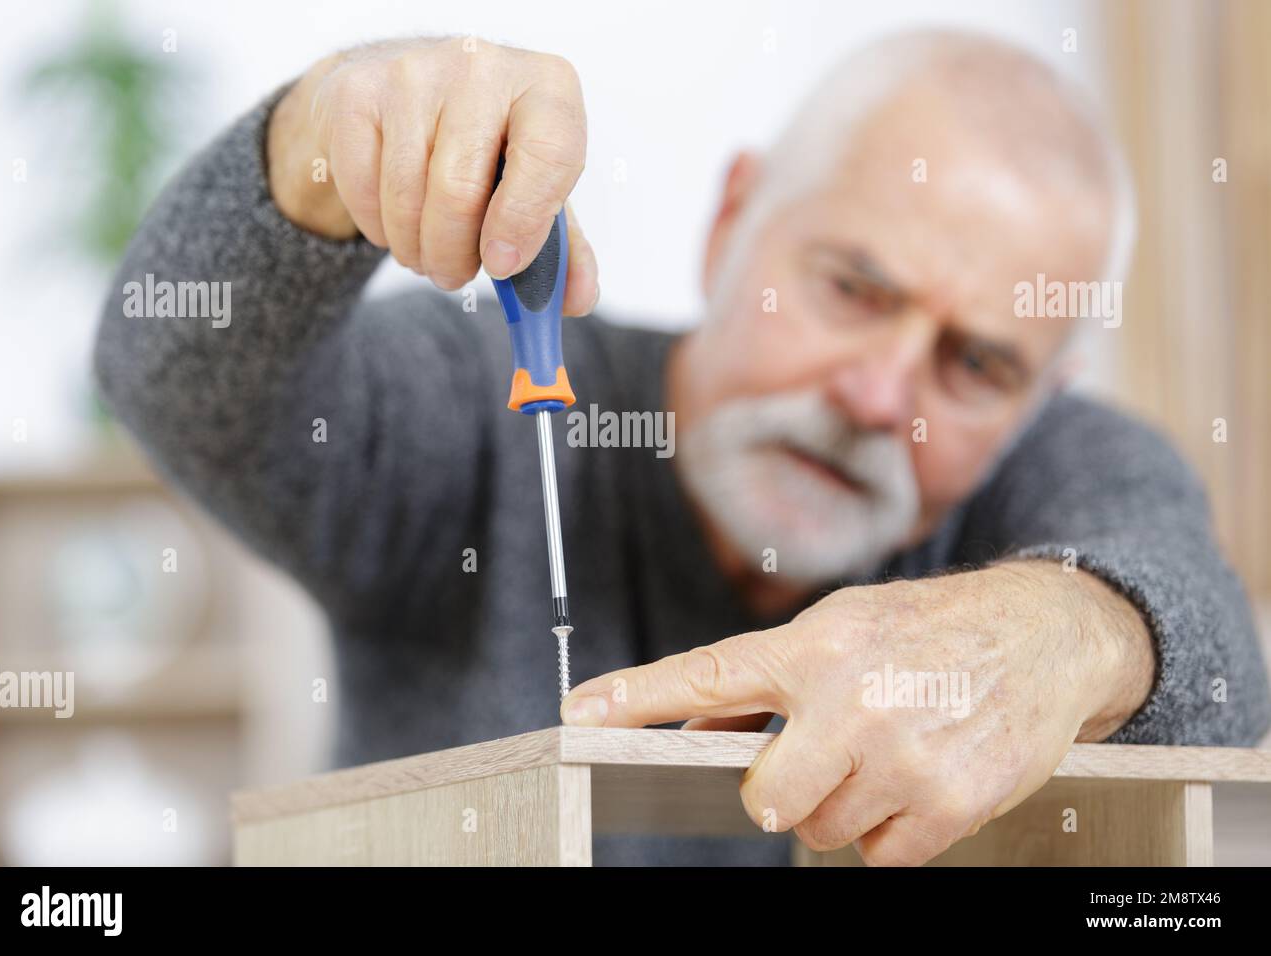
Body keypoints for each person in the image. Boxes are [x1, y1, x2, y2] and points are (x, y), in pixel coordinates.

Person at [94, 30, 1271, 866]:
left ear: (1038, 394)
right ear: (731, 221)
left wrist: (1066, 634)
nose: (877, 394)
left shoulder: (1060, 472)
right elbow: (177, 383)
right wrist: (316, 143)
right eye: (853, 287)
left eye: (976, 365)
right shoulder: (480, 404)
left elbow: (1218, 658)